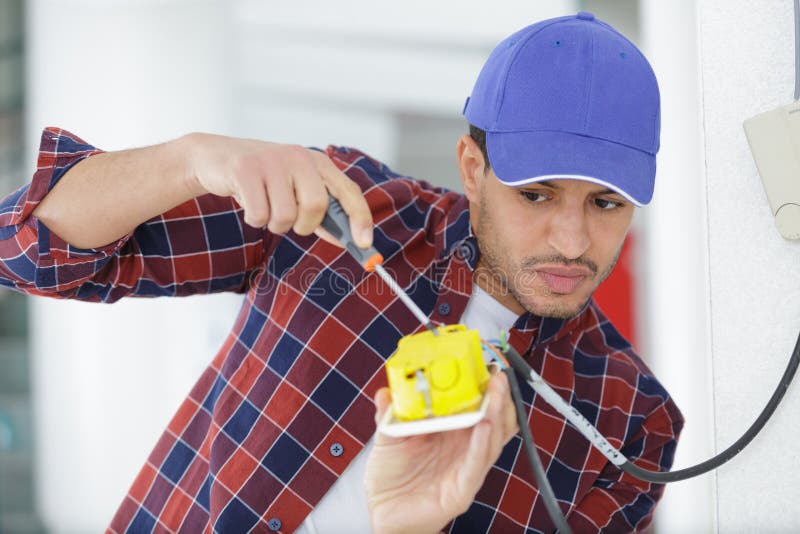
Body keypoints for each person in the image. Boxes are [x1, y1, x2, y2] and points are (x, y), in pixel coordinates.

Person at [0, 11, 683, 534]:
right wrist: (189, 158)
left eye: (606, 204)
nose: (572, 241)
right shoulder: (346, 212)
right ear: (474, 171)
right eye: (536, 195)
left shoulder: (632, 424)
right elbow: (28, 250)